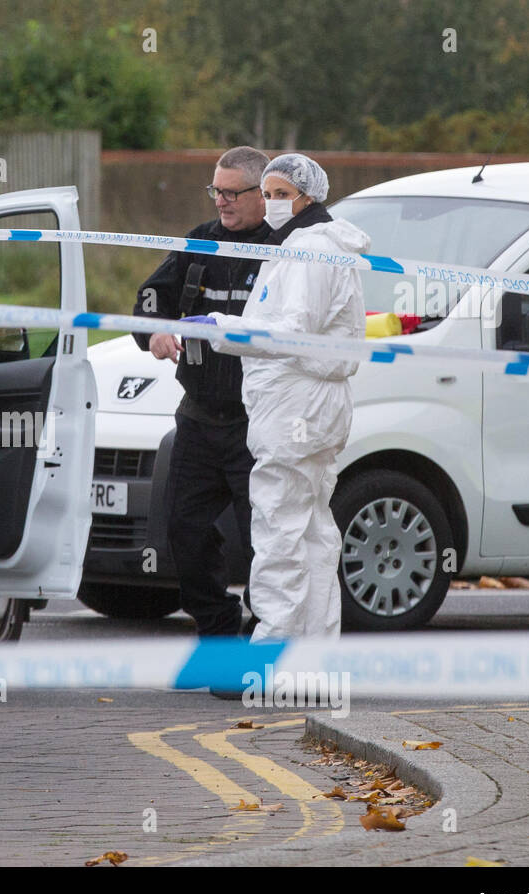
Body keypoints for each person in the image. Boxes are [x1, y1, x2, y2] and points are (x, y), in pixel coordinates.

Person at [206, 152, 370, 641]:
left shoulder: (309, 251)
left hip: (297, 406)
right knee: (312, 533)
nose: (274, 204)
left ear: (308, 196)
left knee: (280, 529)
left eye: (282, 195)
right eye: (269, 193)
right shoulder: (308, 245)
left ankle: (273, 655)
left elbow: (290, 332)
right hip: (311, 404)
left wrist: (221, 327)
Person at [131, 146, 272, 636]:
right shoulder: (200, 243)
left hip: (259, 425)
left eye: (234, 193)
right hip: (198, 419)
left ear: (263, 195)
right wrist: (155, 331)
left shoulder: (283, 250)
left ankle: (266, 639)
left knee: (266, 542)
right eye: (217, 190)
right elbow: (150, 299)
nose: (222, 202)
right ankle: (217, 631)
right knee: (184, 532)